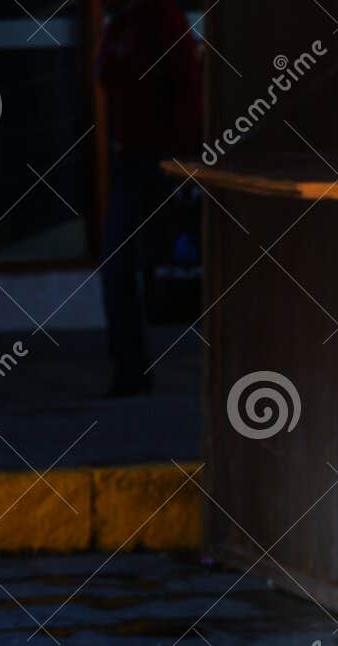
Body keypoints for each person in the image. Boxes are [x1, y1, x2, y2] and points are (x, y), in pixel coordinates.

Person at [97, 0, 201, 396]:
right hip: (131, 156)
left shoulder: (158, 18)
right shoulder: (119, 23)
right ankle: (130, 368)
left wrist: (179, 157)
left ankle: (133, 368)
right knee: (118, 265)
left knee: (132, 262)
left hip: (160, 158)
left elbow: (188, 86)